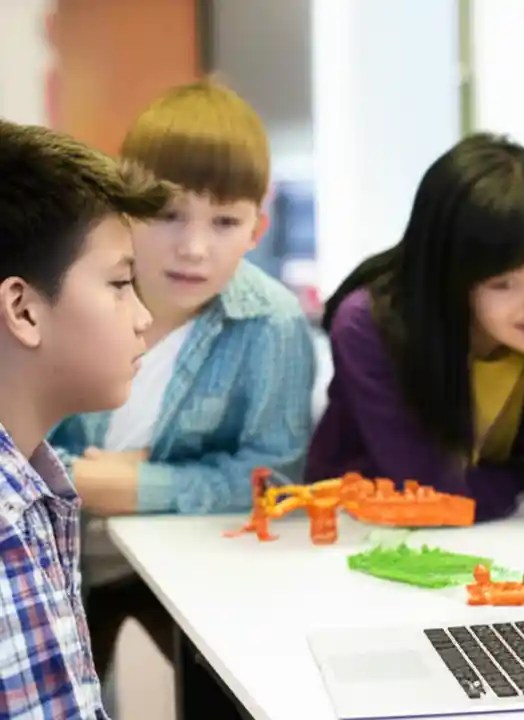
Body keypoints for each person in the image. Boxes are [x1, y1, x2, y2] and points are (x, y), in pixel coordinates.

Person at [49, 80, 317, 678]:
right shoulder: (73, 299)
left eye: (225, 222)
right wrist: (85, 480)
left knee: (233, 689)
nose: (194, 248)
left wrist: (138, 484)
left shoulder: (272, 323)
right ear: (124, 209)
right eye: (168, 214)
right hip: (61, 559)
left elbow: (273, 479)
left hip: (194, 563)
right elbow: (15, 447)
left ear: (257, 229)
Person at [306, 133, 524, 521]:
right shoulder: (371, 326)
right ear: (450, 277)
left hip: (491, 536)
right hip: (349, 532)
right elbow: (429, 495)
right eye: (503, 283)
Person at [0, 118, 170, 718]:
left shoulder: (32, 485)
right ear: (23, 309)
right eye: (120, 283)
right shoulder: (6, 524)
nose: (143, 317)